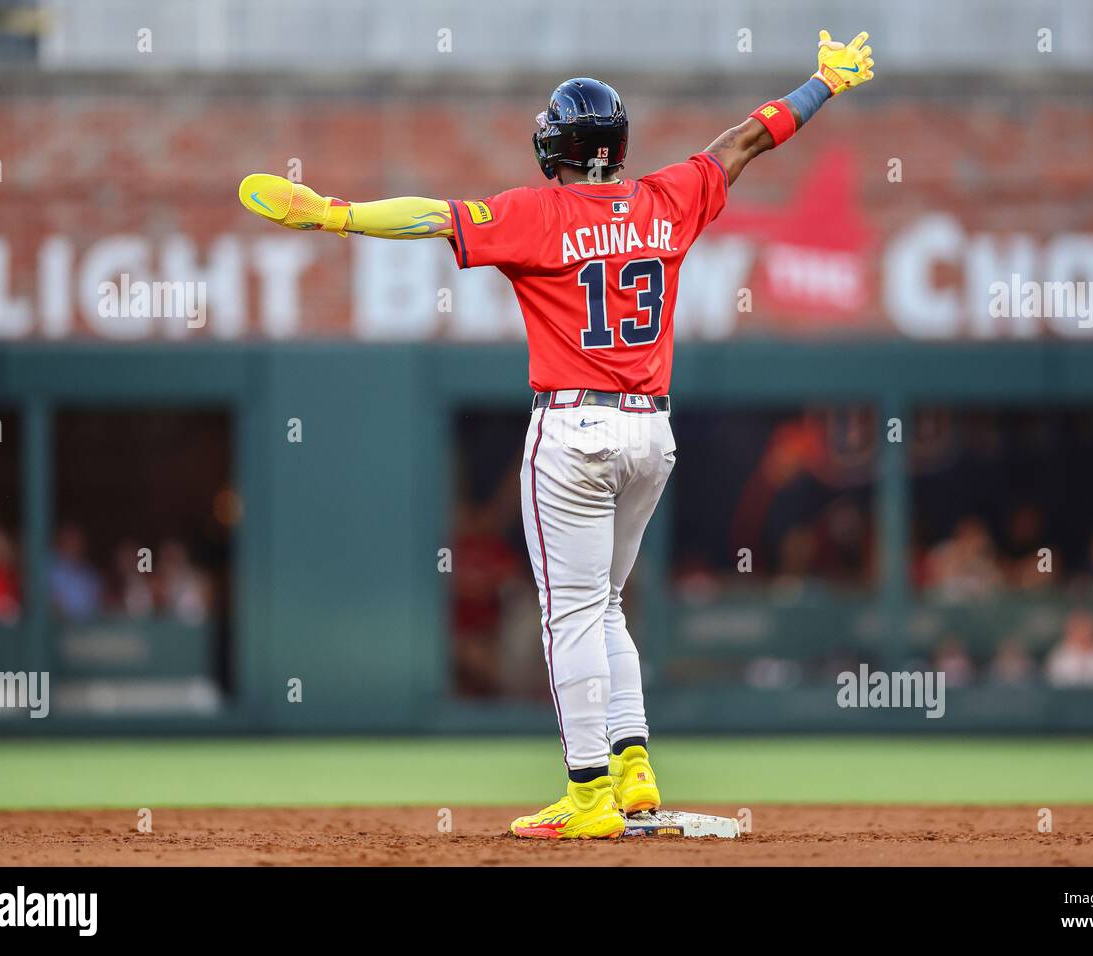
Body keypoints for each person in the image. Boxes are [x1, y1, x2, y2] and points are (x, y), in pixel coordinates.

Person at [238, 30, 875, 839]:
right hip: (652, 434)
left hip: (573, 429)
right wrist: (823, 82)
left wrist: (335, 215)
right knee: (605, 603)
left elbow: (431, 218)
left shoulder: (535, 212)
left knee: (569, 610)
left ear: (559, 146)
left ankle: (587, 795)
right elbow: (747, 139)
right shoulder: (666, 198)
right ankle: (634, 763)